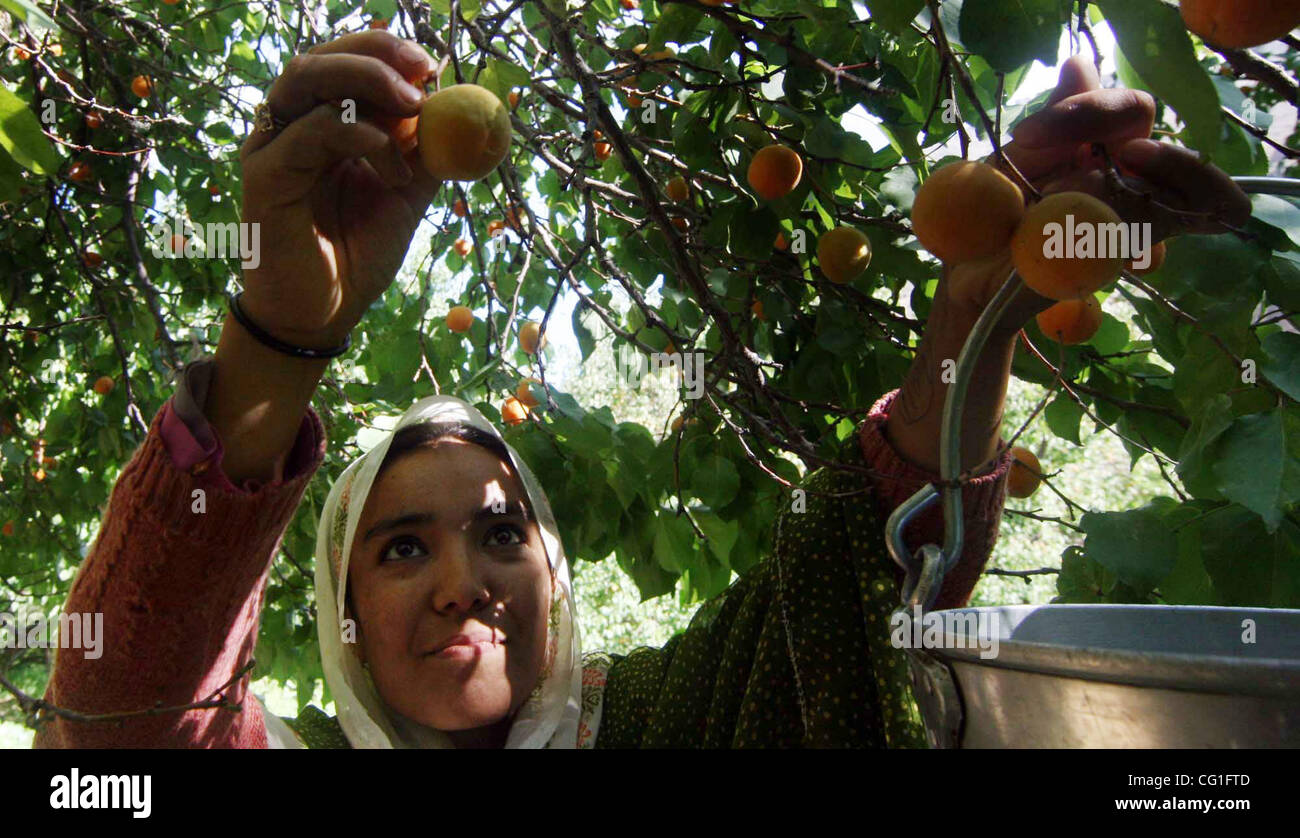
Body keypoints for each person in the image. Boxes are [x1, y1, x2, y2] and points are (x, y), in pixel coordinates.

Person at [33, 32, 1249, 749]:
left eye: (500, 531)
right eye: (401, 548)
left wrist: (969, 322)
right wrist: (274, 341)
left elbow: (834, 583)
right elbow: (121, 719)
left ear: (553, 578)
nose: (464, 580)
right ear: (340, 616)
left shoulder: (660, 725)